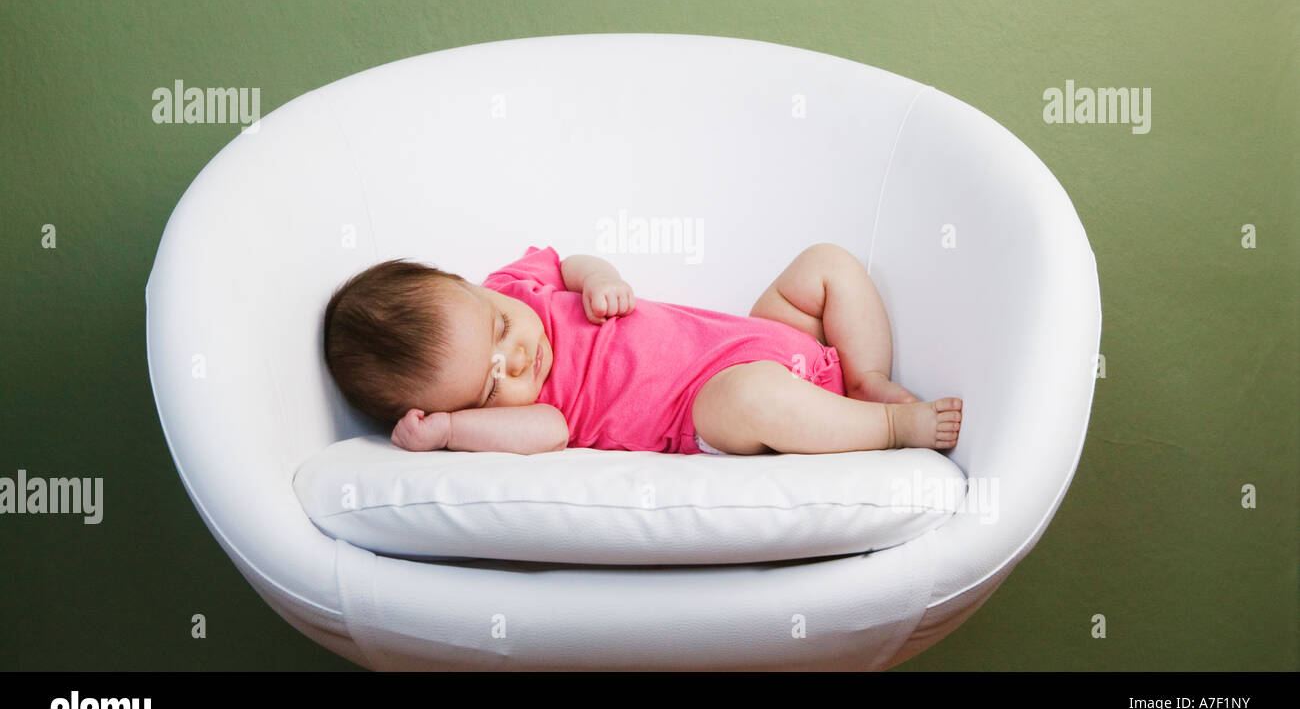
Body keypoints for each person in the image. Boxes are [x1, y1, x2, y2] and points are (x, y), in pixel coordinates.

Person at [323, 243, 961, 456]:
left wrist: (598, 277)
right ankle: (888, 425)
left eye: (499, 329)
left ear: (475, 287)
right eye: (492, 384)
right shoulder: (532, 411)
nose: (516, 358)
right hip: (706, 404)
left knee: (826, 265)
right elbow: (550, 432)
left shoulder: (513, 284)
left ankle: (866, 376)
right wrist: (451, 432)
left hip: (753, 334)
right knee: (755, 397)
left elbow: (568, 262)